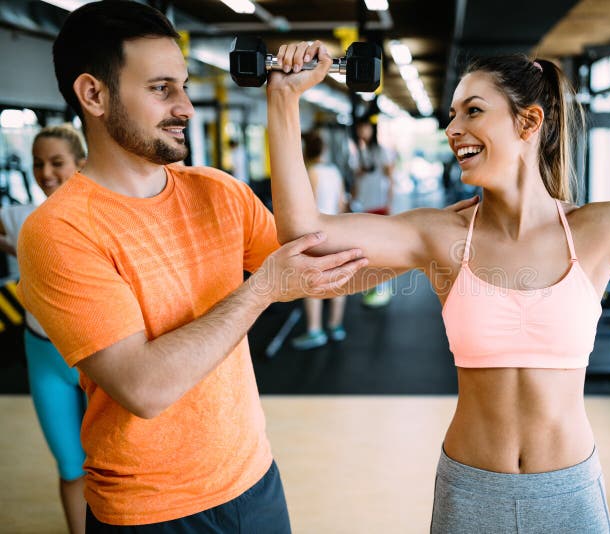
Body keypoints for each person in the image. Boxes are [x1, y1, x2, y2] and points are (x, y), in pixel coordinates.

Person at [267, 30, 610, 532]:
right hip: (470, 491)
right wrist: (284, 102)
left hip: (569, 494)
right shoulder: (441, 234)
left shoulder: (602, 231)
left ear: (528, 121)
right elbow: (305, 235)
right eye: (452, 115)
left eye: (473, 110)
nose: (452, 129)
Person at [16, 2, 370, 531]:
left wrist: (448, 240)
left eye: (182, 86)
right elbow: (145, 388)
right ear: (93, 94)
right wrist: (262, 289)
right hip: (151, 512)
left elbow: (320, 266)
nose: (185, 106)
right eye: (161, 89)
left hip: (254, 481)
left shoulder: (218, 191)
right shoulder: (58, 231)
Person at [0, 124, 87, 534]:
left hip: (95, 356)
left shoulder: (103, 218)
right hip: (44, 356)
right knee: (71, 467)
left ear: (80, 164)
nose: (46, 172)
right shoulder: (18, 219)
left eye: (56, 162)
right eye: (38, 164)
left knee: (117, 468)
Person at [292, 130, 349, 350]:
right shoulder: (333, 171)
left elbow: (310, 207)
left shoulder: (311, 172)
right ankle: (336, 327)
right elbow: (343, 203)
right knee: (338, 280)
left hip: (316, 233)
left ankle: (315, 331)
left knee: (312, 282)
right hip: (336, 229)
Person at [349, 115, 394, 308]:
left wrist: (390, 203)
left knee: (381, 249)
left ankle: (384, 287)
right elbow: (357, 181)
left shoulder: (380, 151)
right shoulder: (358, 152)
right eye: (360, 128)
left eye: (365, 128)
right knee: (366, 251)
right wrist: (353, 201)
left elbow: (390, 177)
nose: (362, 132)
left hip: (380, 205)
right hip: (364, 207)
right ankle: (373, 286)